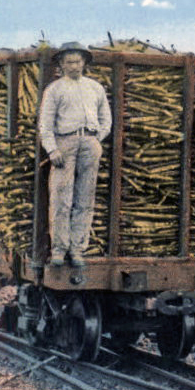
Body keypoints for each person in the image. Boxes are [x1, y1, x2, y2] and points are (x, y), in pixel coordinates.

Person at [38, 42, 111, 267]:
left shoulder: (95, 88)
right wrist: (52, 148)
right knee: (61, 198)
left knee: (85, 198)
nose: (74, 66)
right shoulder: (55, 89)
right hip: (64, 143)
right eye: (69, 62)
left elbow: (106, 118)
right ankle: (59, 249)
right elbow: (45, 123)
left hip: (89, 142)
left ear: (84, 63)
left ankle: (78, 248)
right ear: (61, 64)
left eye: (78, 61)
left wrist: (97, 140)